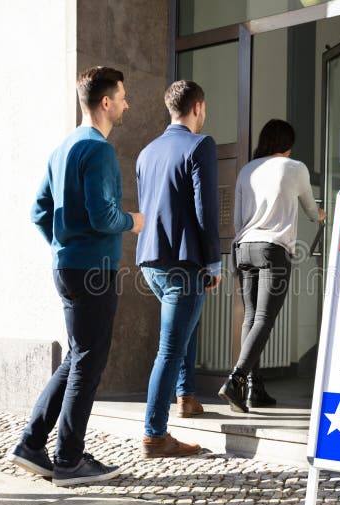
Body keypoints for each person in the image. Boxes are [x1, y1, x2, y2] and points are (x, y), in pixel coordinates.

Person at [8, 66, 145, 486]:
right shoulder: (99, 150)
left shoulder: (63, 147)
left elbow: (39, 212)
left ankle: (33, 444)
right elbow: (104, 216)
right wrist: (133, 221)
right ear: (105, 102)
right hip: (93, 271)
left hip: (66, 266)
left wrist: (62, 244)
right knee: (88, 360)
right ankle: (69, 460)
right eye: (122, 97)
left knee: (77, 355)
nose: (126, 104)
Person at [136, 80, 220, 458]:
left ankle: (186, 396)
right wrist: (214, 261)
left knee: (188, 324)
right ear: (197, 108)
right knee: (169, 348)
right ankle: (155, 434)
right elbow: (206, 209)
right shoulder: (200, 145)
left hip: (150, 260)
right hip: (183, 262)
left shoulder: (146, 152)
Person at [218, 119, 325, 413]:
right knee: (264, 318)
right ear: (287, 145)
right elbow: (310, 211)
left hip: (243, 248)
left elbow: (238, 220)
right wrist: (321, 215)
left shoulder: (246, 170)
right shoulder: (295, 168)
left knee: (251, 318)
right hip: (272, 249)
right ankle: (236, 380)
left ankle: (255, 388)